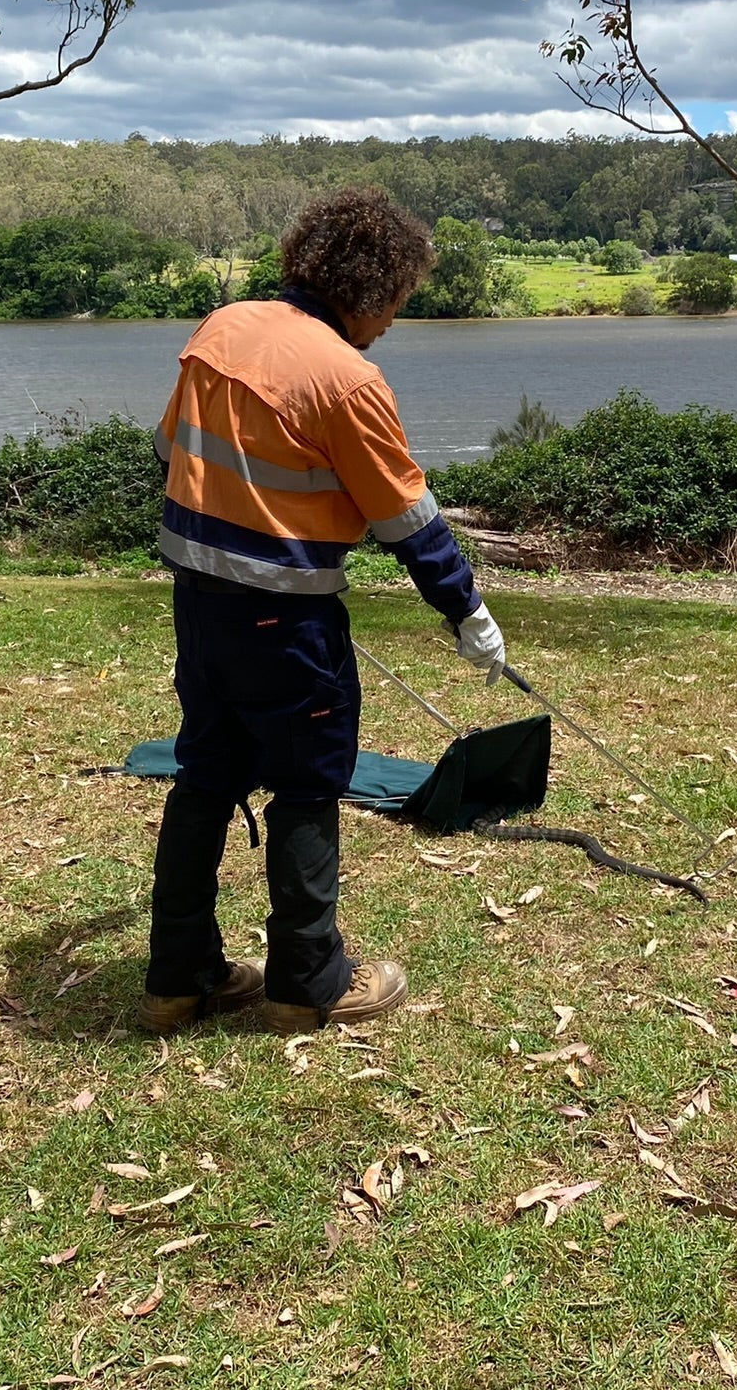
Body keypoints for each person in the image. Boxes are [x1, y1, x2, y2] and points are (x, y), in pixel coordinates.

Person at [135, 187, 506, 1035]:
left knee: (206, 772)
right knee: (307, 785)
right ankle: (308, 983)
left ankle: (176, 980)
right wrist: (466, 612)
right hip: (288, 627)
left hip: (199, 608)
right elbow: (408, 520)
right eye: (398, 306)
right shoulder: (347, 377)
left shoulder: (219, 331)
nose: (391, 324)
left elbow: (169, 450)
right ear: (372, 289)